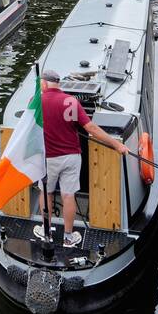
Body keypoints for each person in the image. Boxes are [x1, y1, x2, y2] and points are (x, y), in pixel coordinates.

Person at [33, 69, 129, 249]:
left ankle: (46, 232)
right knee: (68, 195)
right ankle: (68, 237)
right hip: (71, 157)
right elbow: (91, 128)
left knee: (46, 193)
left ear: (43, 84)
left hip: (48, 159)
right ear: (58, 83)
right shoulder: (71, 101)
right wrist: (117, 145)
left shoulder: (37, 102)